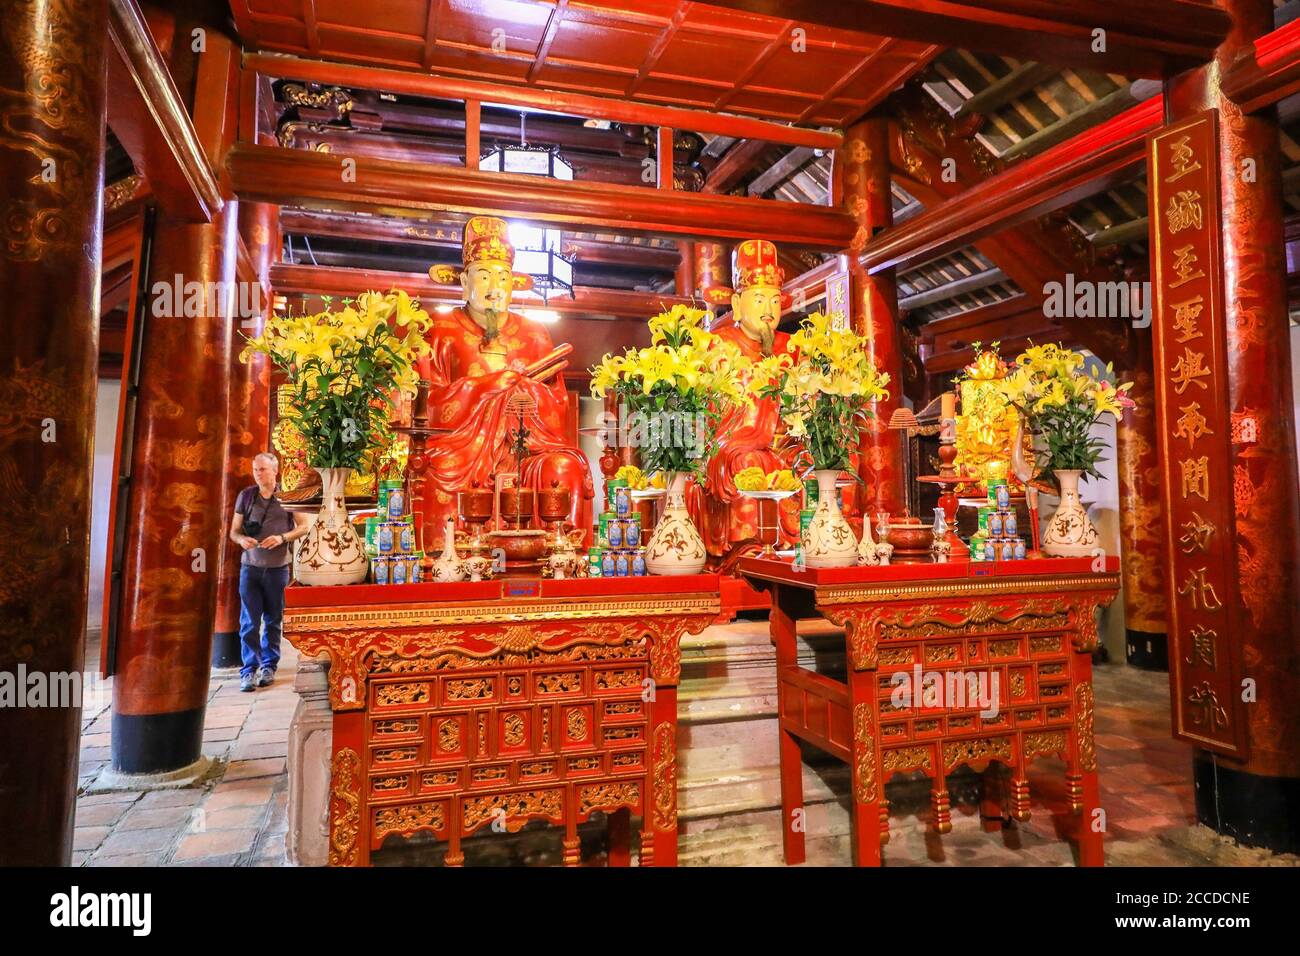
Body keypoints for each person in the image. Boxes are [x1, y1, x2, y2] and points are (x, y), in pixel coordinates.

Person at [229, 452, 309, 692]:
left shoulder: (287, 496)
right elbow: (233, 531)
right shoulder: (246, 497)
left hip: (277, 569)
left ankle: (269, 665)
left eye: (262, 469)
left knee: (273, 620)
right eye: (255, 469)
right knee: (249, 622)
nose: (258, 473)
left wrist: (281, 537)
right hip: (250, 567)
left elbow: (303, 526)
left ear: (275, 470)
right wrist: (242, 540)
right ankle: (248, 670)